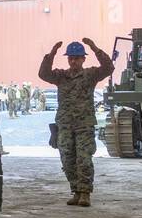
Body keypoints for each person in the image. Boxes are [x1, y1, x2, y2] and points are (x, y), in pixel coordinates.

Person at [38, 39, 114, 207]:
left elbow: (109, 68)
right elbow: (43, 74)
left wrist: (95, 48)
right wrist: (51, 54)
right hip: (64, 125)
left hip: (83, 125)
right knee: (67, 159)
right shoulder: (61, 76)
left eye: (77, 58)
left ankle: (85, 193)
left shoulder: (90, 75)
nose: (73, 61)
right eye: (71, 58)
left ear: (83, 59)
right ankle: (76, 191)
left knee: (84, 159)